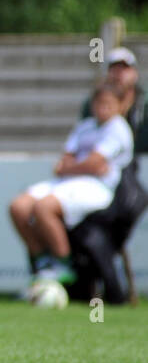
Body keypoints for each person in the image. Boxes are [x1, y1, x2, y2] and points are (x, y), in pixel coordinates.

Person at [9, 82, 134, 285]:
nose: (103, 108)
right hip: (66, 182)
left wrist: (73, 166)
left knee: (44, 207)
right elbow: (67, 161)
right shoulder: (84, 126)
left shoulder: (118, 128)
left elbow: (94, 163)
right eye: (99, 103)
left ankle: (63, 265)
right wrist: (80, 166)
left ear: (119, 105)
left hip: (96, 187)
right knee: (18, 207)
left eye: (109, 104)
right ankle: (42, 262)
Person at [79, 47, 147, 155]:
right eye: (114, 69)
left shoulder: (144, 105)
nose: (119, 74)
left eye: (124, 68)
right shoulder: (92, 104)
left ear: (135, 73)